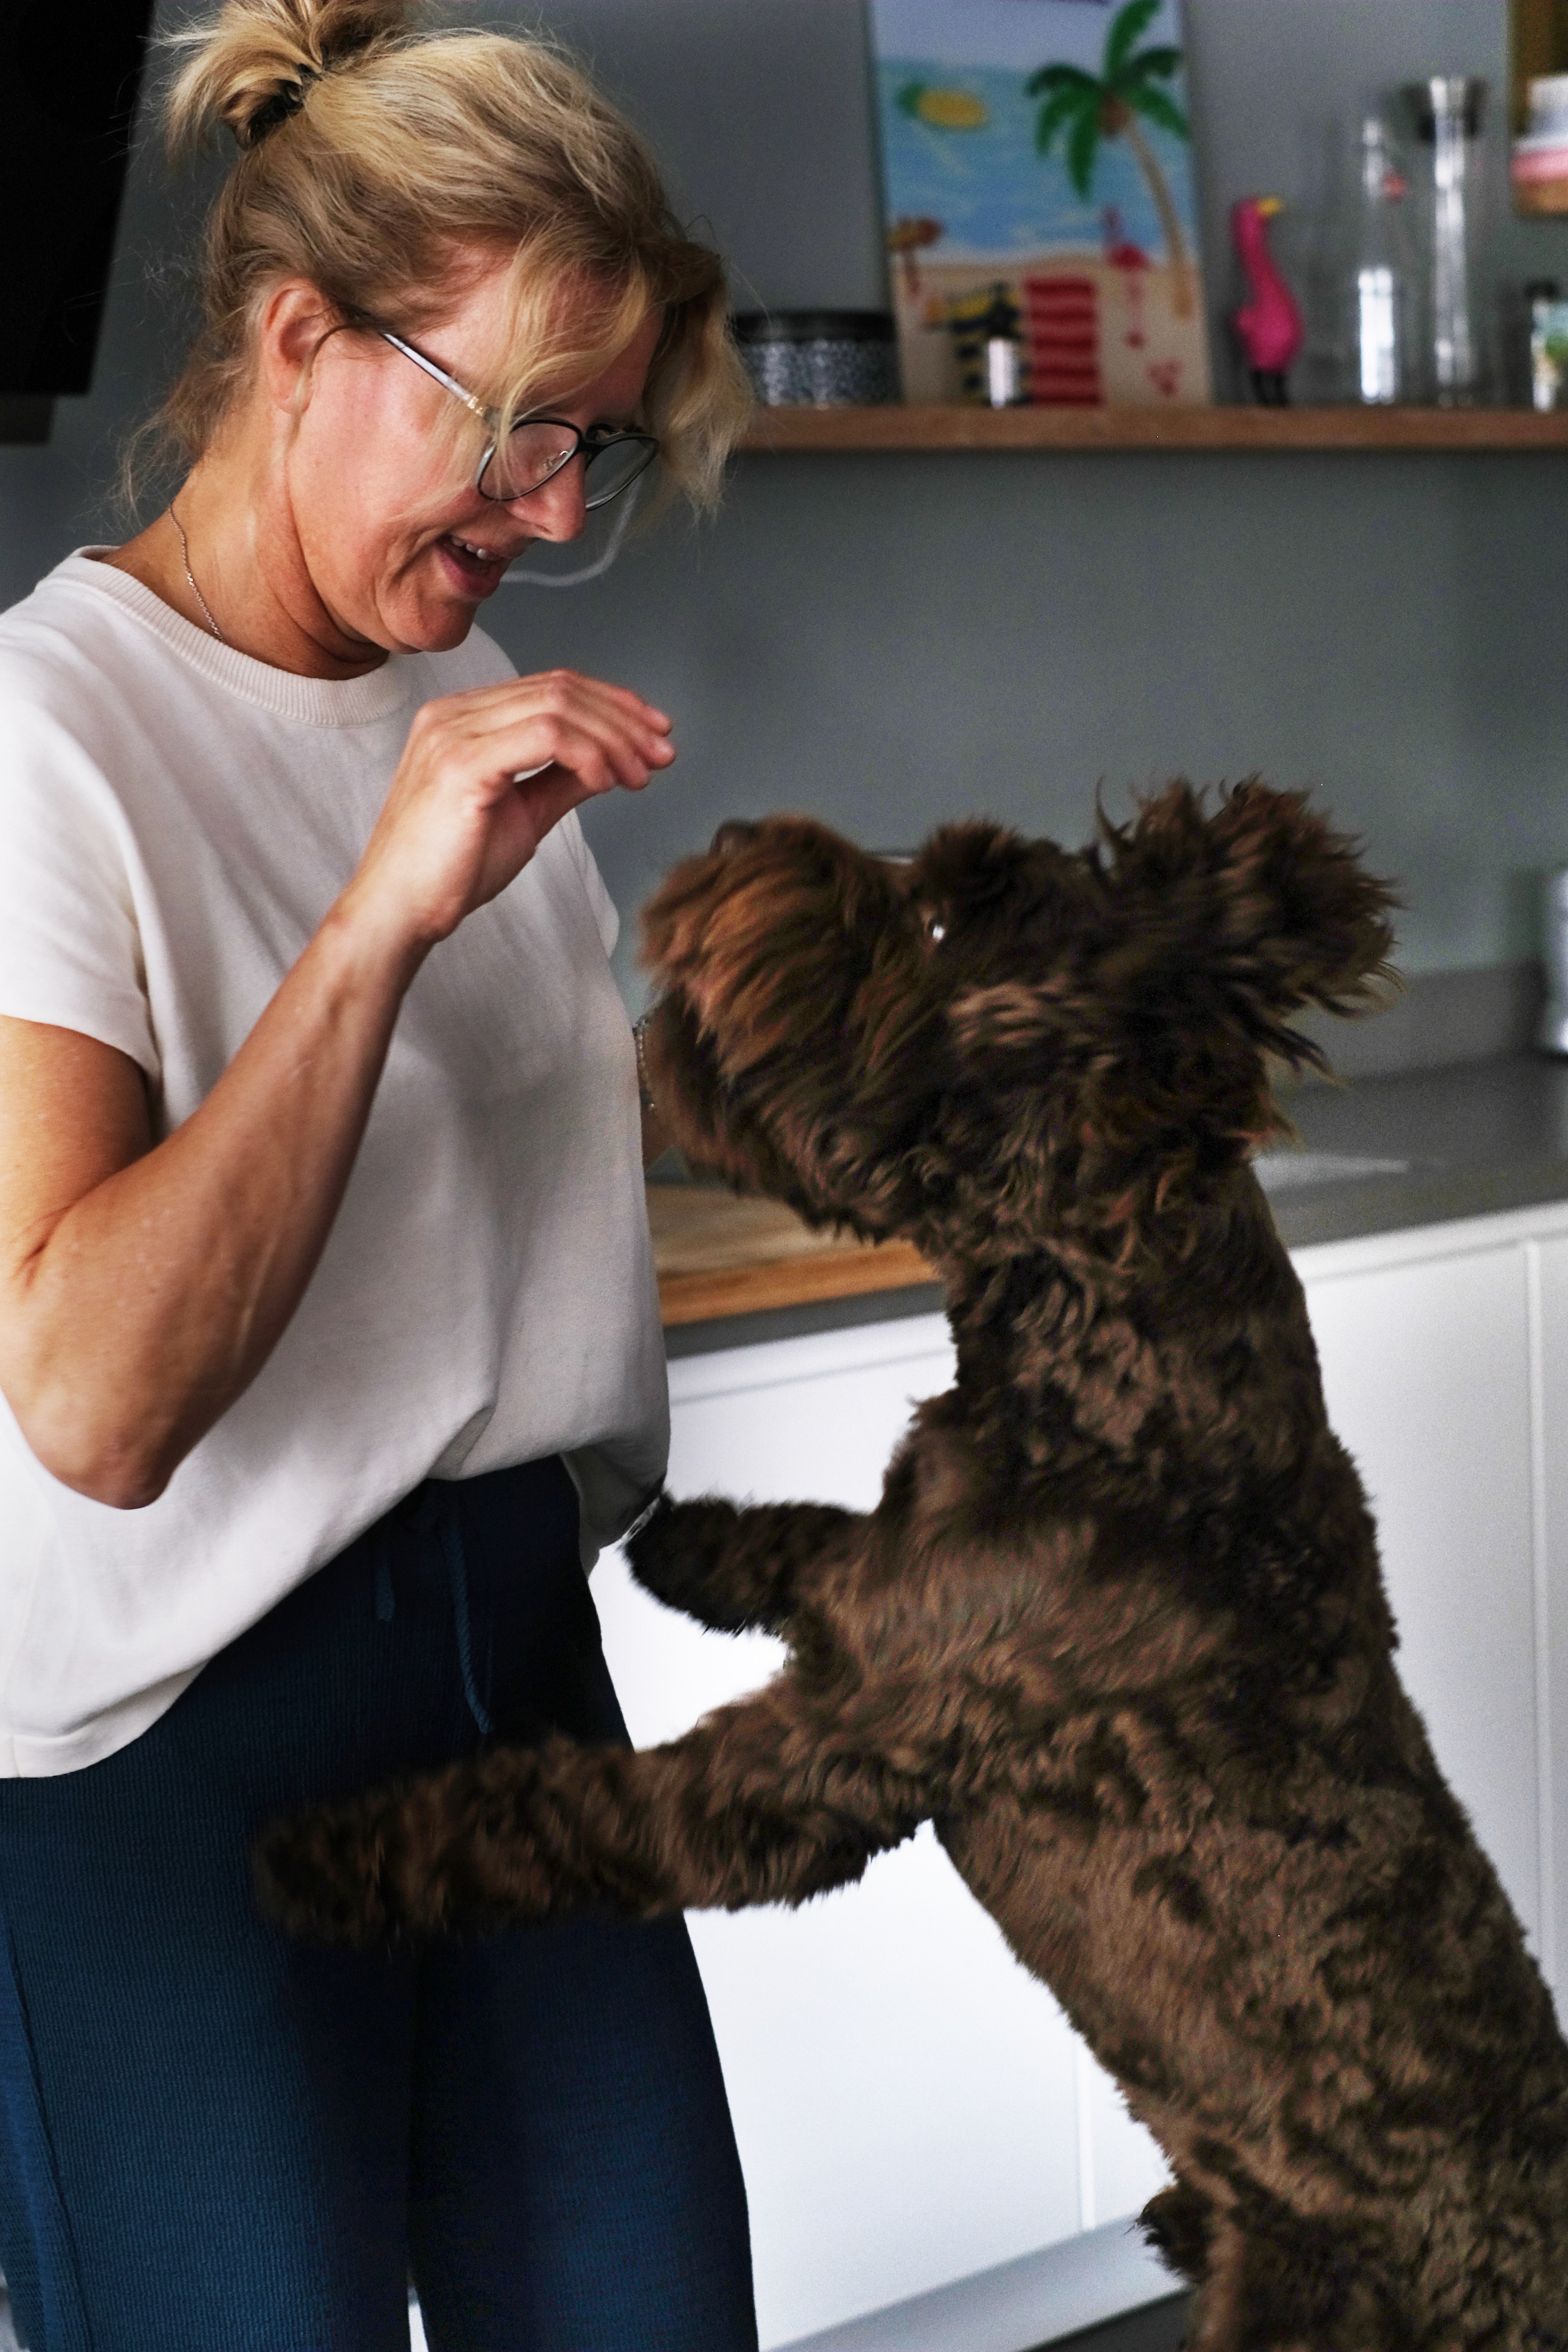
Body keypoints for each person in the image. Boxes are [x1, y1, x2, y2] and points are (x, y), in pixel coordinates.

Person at [0, 1, 757, 2344]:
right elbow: (95, 1401)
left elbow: (497, 1216)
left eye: (591, 452)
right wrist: (382, 914)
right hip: (175, 1771)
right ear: (301, 337)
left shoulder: (469, 725)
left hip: (520, 1685)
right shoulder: (52, 743)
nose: (548, 515)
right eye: (513, 430)